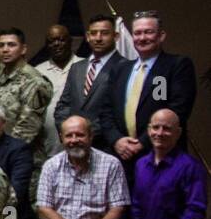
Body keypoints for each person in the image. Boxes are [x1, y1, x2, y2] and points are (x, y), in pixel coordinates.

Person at [98, 11, 198, 167]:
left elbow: (177, 110)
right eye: (137, 33)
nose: (142, 38)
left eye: (148, 32)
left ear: (161, 35)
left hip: (161, 158)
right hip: (122, 158)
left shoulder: (176, 66)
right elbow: (106, 111)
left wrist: (142, 143)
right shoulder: (119, 69)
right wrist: (117, 140)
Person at [0, 28, 55, 165]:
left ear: (23, 49)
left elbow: (27, 127)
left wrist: (1, 155)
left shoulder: (35, 81)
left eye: (11, 45)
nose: (5, 49)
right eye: (1, 45)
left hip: (23, 160)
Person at [53, 14, 124, 147]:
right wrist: (69, 131)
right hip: (73, 145)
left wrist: (86, 133)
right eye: (93, 33)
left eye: (104, 33)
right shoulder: (77, 67)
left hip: (106, 146)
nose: (98, 38)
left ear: (116, 36)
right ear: (87, 36)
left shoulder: (125, 67)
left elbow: (119, 112)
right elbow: (63, 105)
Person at [34, 24, 83, 158]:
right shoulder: (38, 72)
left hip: (81, 142)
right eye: (52, 41)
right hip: (49, 146)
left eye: (61, 40)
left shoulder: (85, 66)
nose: (57, 44)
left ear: (70, 41)